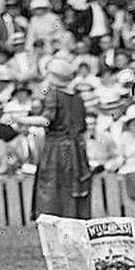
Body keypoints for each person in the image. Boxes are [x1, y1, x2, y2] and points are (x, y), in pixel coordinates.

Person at [19, 57, 92, 217]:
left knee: (52, 190)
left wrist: (20, 120)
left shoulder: (54, 94)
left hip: (56, 149)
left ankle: (54, 224)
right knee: (72, 188)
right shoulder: (78, 98)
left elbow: (46, 120)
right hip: (77, 151)